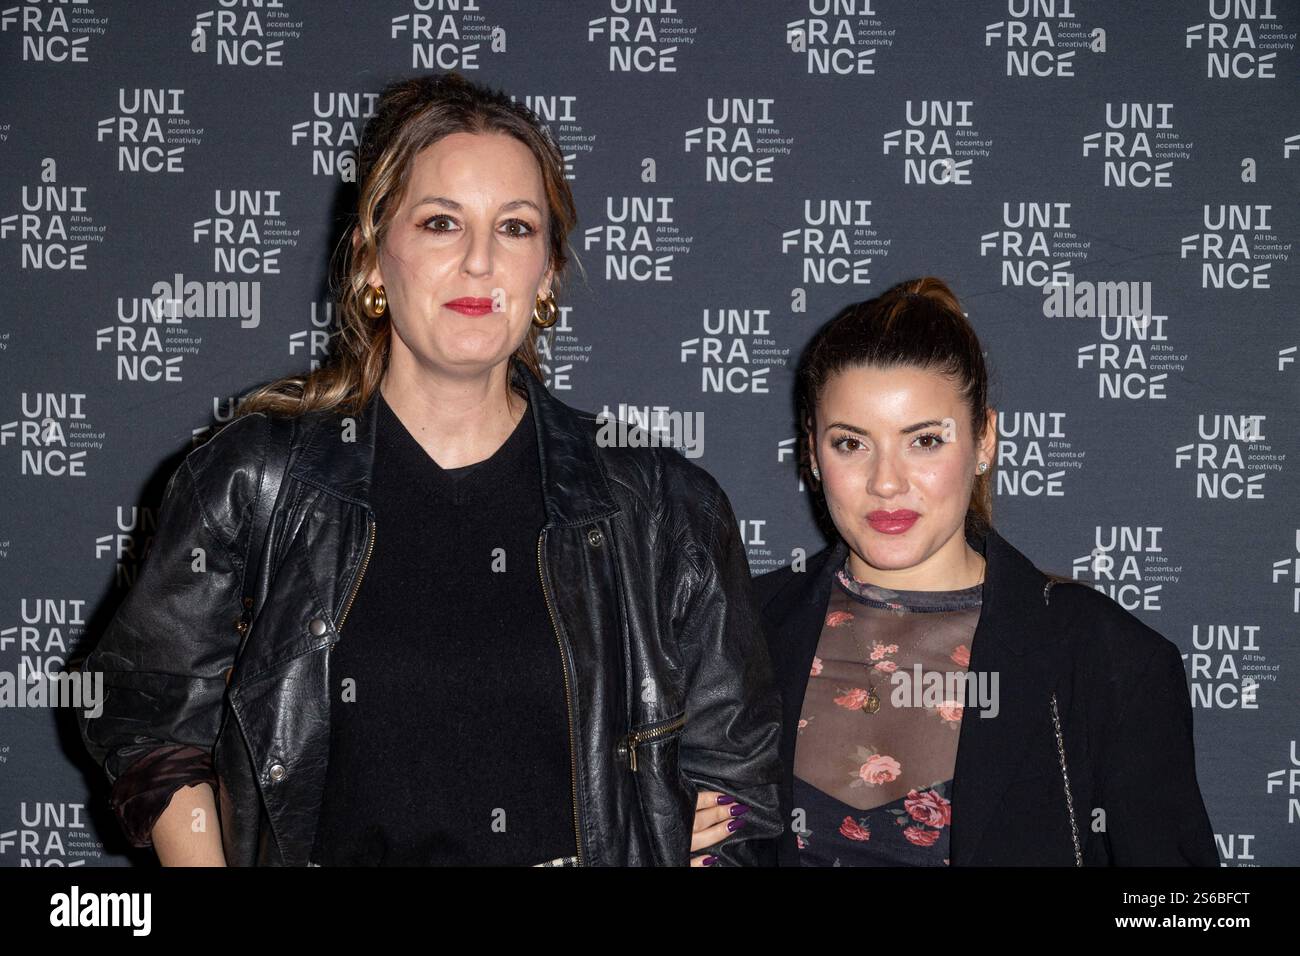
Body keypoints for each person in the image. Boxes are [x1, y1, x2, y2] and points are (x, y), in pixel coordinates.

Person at [76, 71, 781, 867]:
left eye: (516, 228)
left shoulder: (661, 510)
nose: (481, 262)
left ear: (547, 275)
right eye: (443, 223)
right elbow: (148, 715)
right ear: (375, 259)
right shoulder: (256, 483)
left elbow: (739, 796)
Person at [741, 276, 1218, 866]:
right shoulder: (738, 633)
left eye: (924, 440)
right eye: (851, 444)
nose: (886, 482)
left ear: (985, 439)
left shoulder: (1105, 661)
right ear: (812, 452)